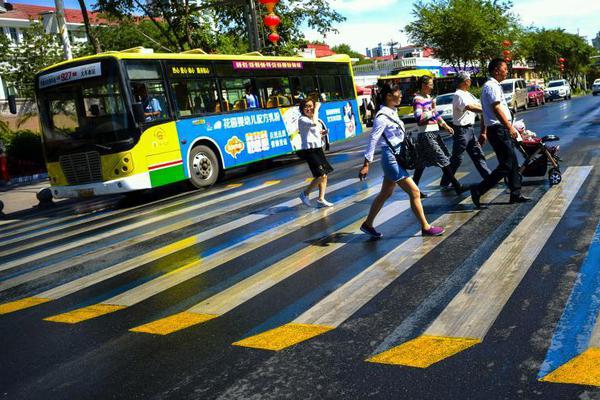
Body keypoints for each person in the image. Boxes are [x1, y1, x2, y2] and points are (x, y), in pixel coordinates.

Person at [358, 82, 444, 238]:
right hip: (391, 158)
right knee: (415, 192)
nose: (401, 95)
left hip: (397, 155)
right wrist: (366, 164)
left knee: (385, 193)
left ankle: (367, 224)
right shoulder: (381, 117)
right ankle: (425, 227)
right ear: (389, 96)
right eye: (398, 92)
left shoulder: (392, 111)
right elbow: (373, 139)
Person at [469, 58, 531, 208]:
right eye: (504, 69)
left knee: (513, 163)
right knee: (507, 164)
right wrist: (509, 127)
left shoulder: (493, 86)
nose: (507, 71)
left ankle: (515, 194)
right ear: (496, 70)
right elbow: (496, 109)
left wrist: (484, 131)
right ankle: (478, 190)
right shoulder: (491, 86)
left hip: (498, 129)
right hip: (499, 130)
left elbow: (485, 112)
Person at [411, 75, 464, 196]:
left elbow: (435, 115)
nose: (432, 86)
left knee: (421, 164)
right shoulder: (417, 99)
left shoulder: (428, 97)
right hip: (426, 134)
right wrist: (432, 110)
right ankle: (457, 186)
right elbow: (419, 118)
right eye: (430, 84)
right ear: (424, 85)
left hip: (433, 132)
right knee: (443, 159)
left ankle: (413, 190)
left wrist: (445, 125)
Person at [439, 71, 491, 188]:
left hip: (470, 130)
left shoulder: (468, 94)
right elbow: (469, 107)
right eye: (469, 79)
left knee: (477, 154)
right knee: (457, 159)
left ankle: (489, 177)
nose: (470, 81)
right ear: (465, 82)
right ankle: (445, 181)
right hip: (461, 131)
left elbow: (477, 105)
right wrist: (485, 110)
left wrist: (484, 108)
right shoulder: (459, 95)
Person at [297, 98, 334, 208]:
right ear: (302, 109)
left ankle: (321, 199)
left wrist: (322, 133)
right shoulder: (302, 119)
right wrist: (317, 108)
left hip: (318, 149)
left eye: (310, 106)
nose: (309, 109)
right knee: (320, 175)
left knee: (325, 175)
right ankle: (305, 194)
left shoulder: (313, 118)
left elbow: (315, 132)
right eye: (306, 107)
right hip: (310, 151)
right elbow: (313, 123)